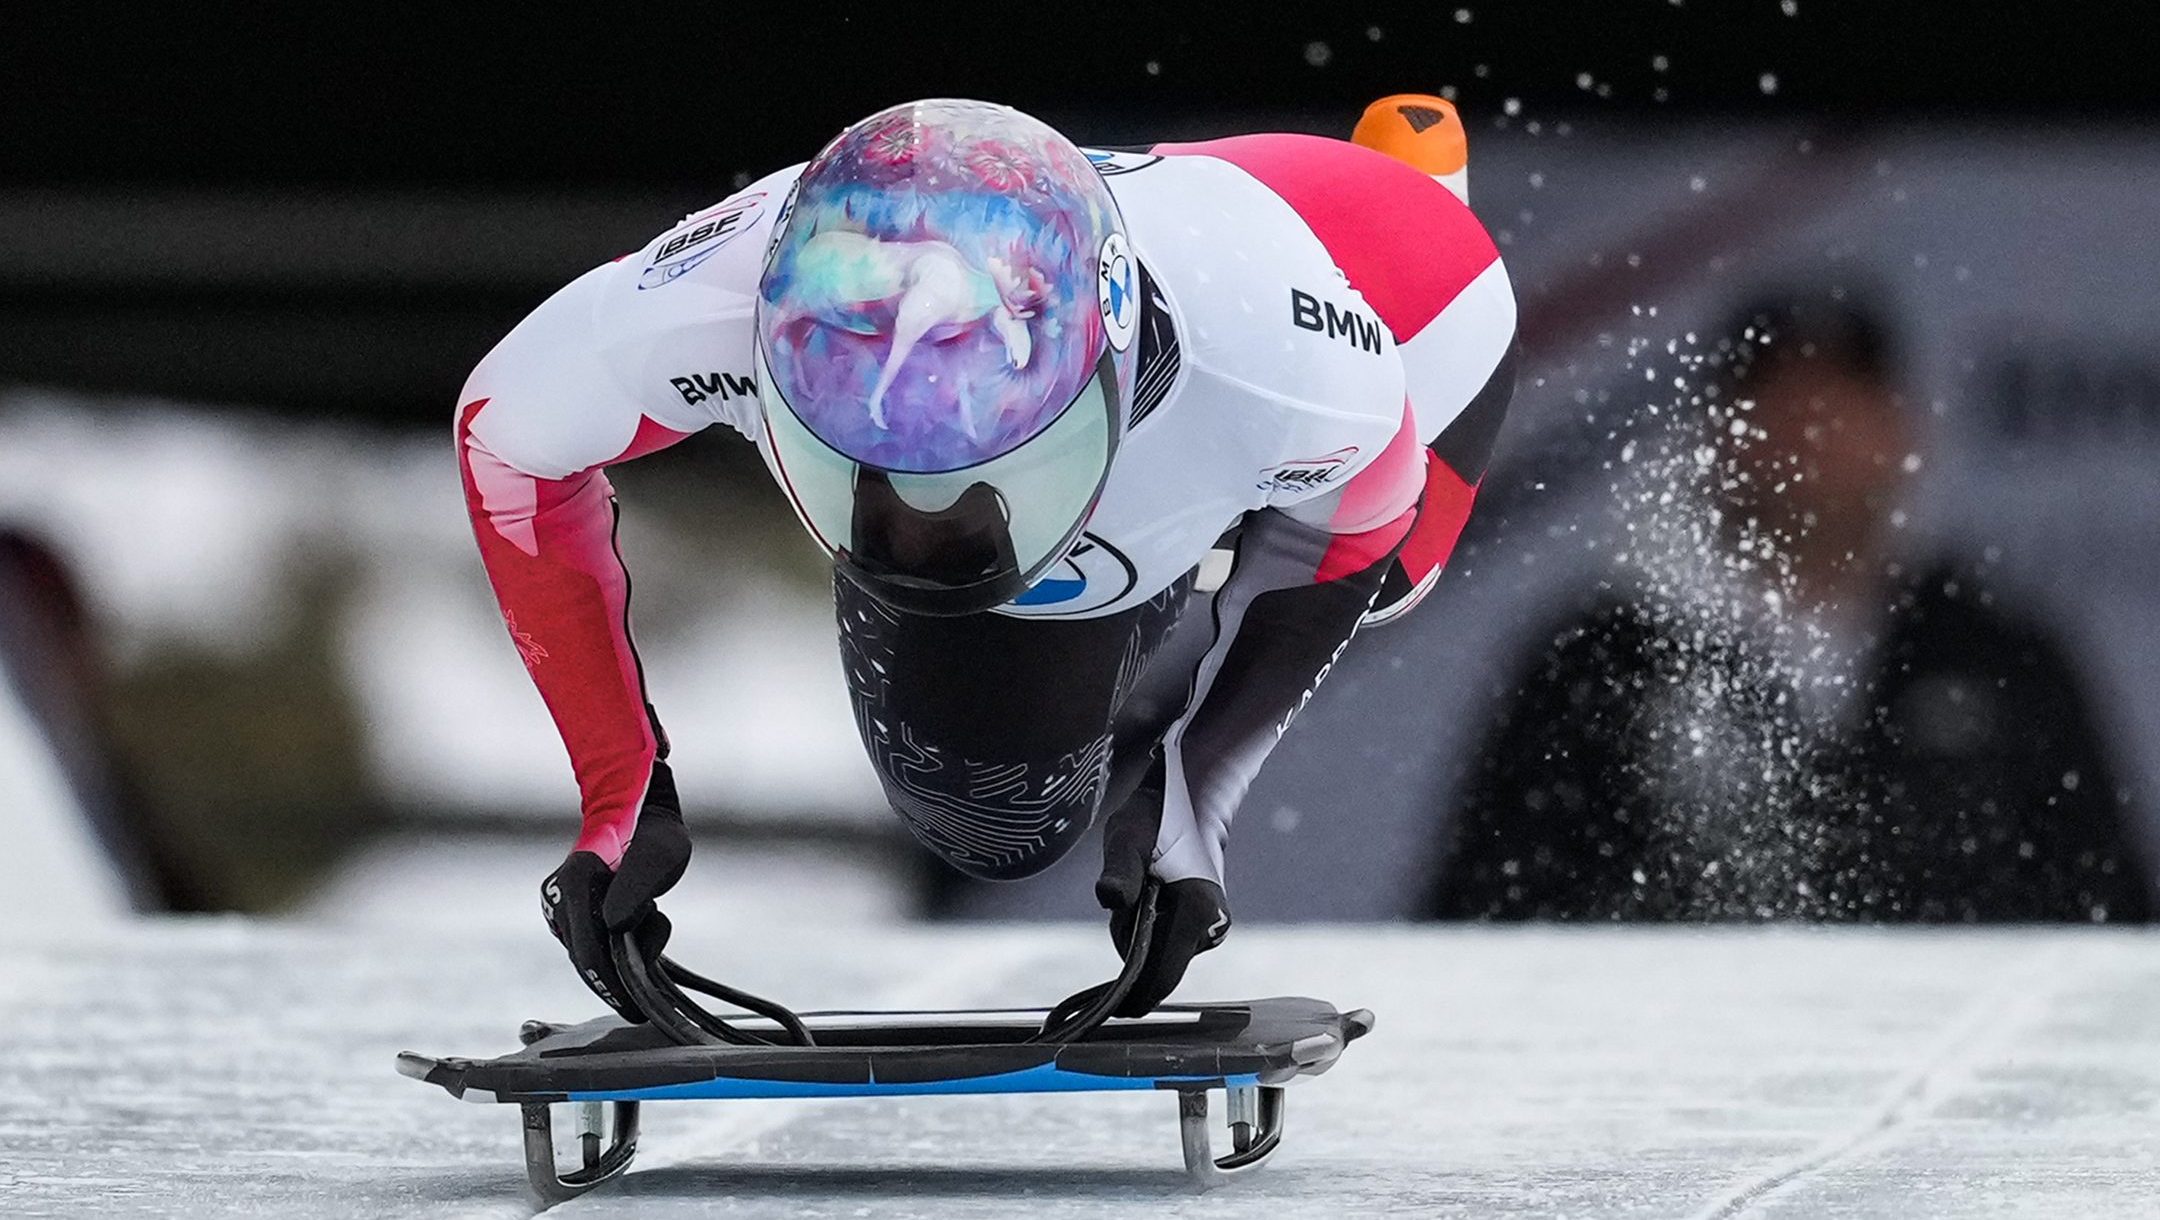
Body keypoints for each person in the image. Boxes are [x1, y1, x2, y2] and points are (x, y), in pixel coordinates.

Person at [456, 97, 1517, 1019]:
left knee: (1390, 577)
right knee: (991, 824)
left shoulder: (1291, 380)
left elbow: (1364, 514)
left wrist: (1198, 797)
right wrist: (620, 791)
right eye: (868, 476)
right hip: (1183, 268)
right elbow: (504, 437)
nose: (918, 533)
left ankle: (1412, 169)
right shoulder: (725, 299)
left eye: (980, 478)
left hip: (1404, 294)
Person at [1436, 290, 2149, 921]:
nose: (1810, 436)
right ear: (1718, 437)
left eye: (1840, 406)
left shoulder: (2003, 657)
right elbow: (1486, 917)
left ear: (1904, 433)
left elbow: (2106, 918)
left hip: (1943, 1055)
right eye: (1777, 404)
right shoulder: (1601, 662)